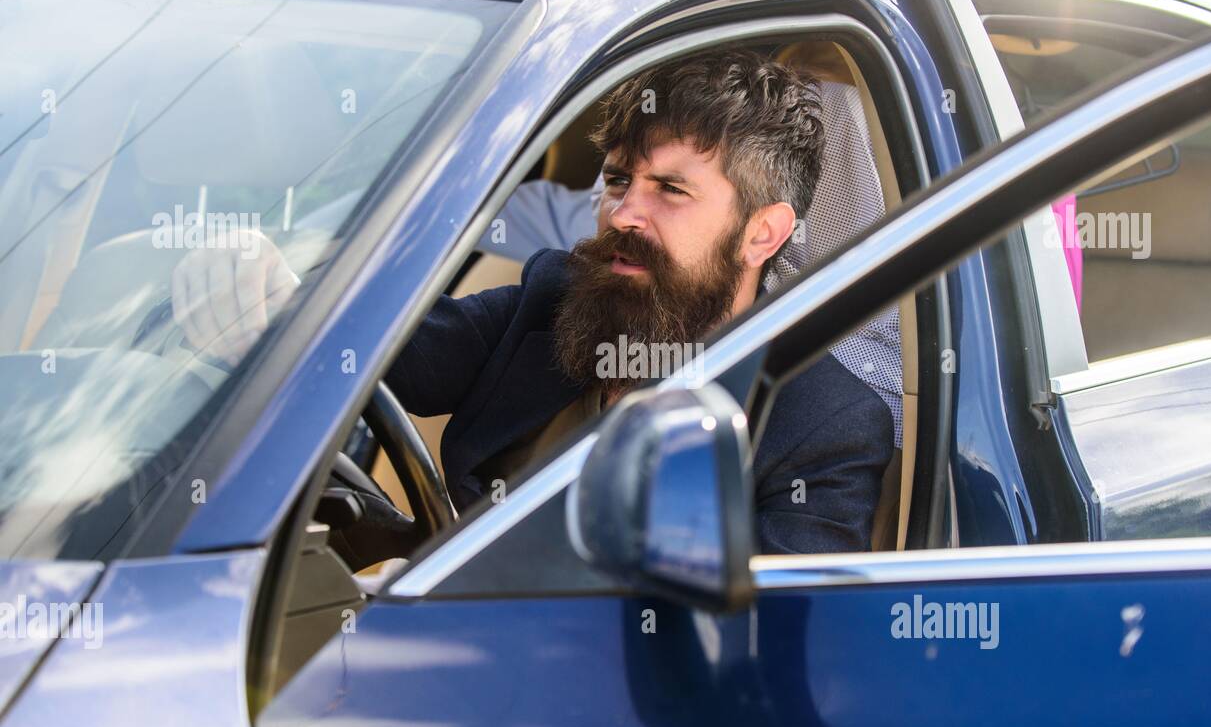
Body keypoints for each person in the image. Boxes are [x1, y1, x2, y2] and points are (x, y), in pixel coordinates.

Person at [172, 48, 895, 554]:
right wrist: (266, 289)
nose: (623, 215)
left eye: (669, 190)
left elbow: (762, 659)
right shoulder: (556, 297)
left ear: (761, 232)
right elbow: (387, 347)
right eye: (617, 182)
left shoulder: (824, 425)